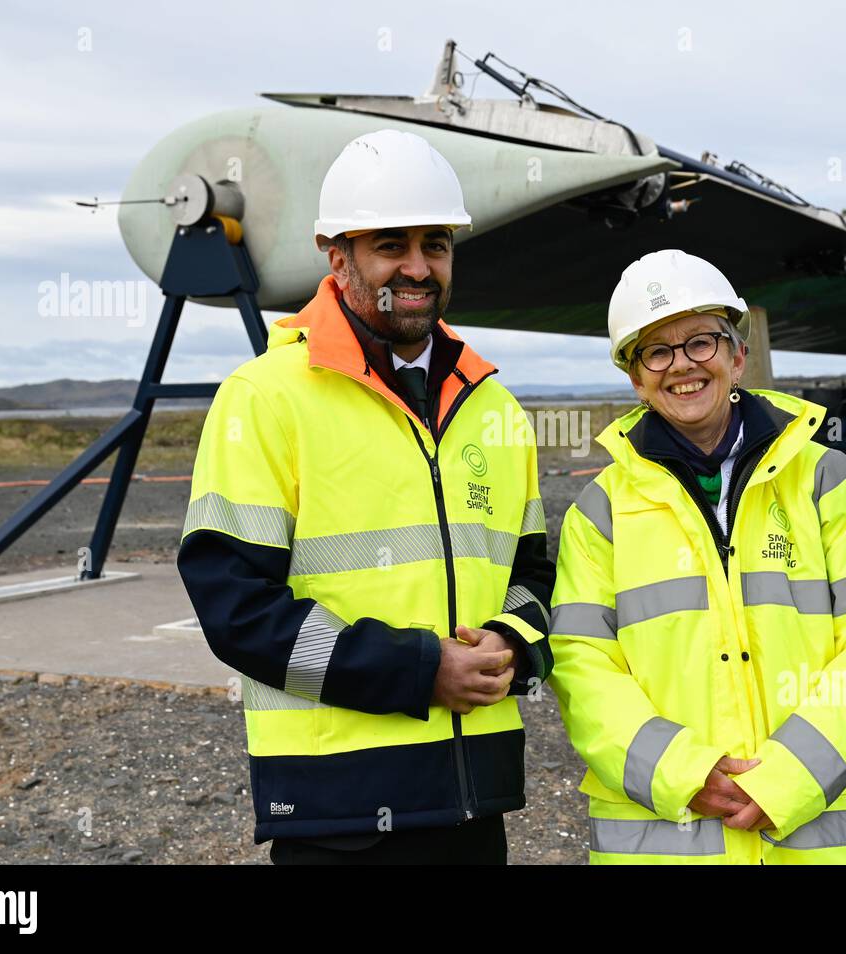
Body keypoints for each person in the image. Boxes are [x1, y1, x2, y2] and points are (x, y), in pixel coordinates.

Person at [177, 129, 554, 865]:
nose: (417, 267)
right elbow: (237, 610)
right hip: (335, 814)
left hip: (474, 801)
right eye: (391, 244)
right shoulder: (263, 399)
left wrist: (513, 644)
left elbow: (536, 575)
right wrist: (420, 670)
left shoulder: (495, 408)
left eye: (436, 244)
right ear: (337, 256)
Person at [549, 249, 846, 864]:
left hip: (819, 841)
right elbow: (581, 663)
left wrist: (793, 775)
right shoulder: (600, 511)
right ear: (636, 379)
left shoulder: (828, 480)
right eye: (655, 352)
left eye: (701, 342)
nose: (682, 366)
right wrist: (680, 770)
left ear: (737, 355)